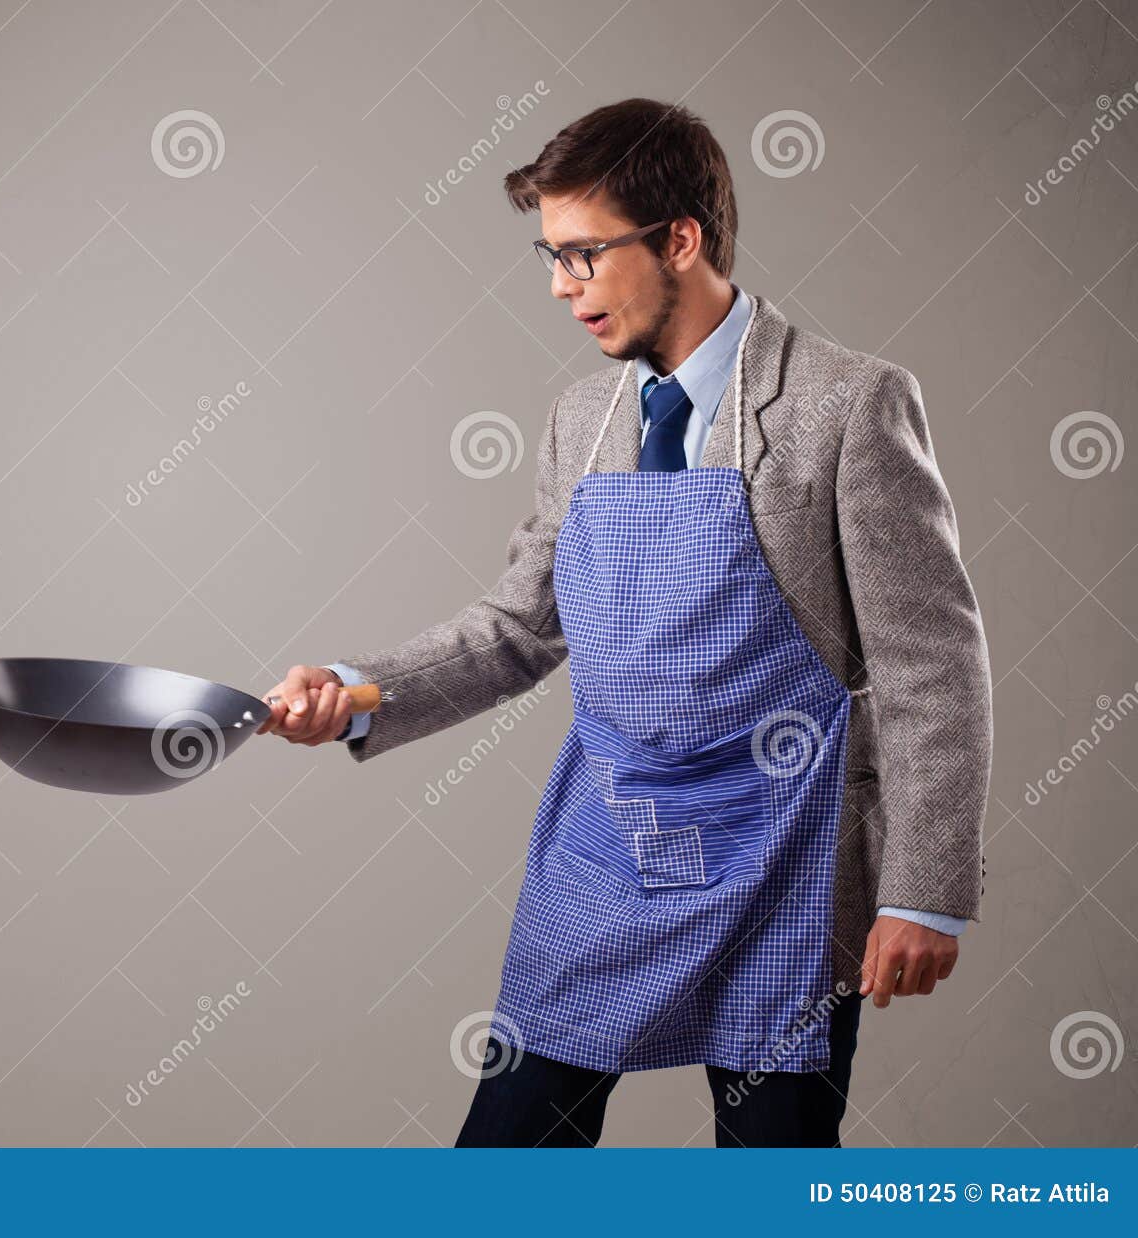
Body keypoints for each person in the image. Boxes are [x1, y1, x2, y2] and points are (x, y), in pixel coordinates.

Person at [258, 98, 990, 1148]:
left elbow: (932, 665)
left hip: (783, 865)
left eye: (584, 256)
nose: (561, 289)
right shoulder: (579, 419)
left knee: (771, 1179)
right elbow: (517, 625)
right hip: (608, 854)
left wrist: (924, 892)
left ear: (678, 240)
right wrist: (357, 690)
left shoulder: (846, 404)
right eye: (551, 258)